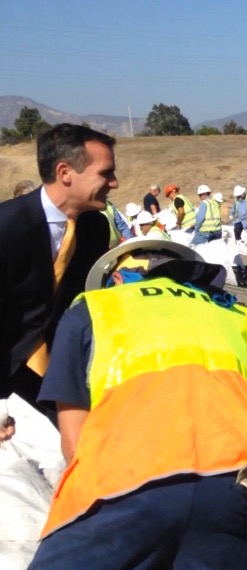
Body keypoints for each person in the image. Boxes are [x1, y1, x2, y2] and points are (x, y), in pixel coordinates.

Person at [0, 238, 247, 570]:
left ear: (114, 276)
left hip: (125, 481)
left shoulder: (95, 310)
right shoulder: (234, 315)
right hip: (231, 480)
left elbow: (74, 439)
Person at [0, 123, 114, 431]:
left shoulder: (94, 228)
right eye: (105, 173)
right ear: (65, 172)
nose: (114, 183)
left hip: (63, 367)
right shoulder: (6, 226)